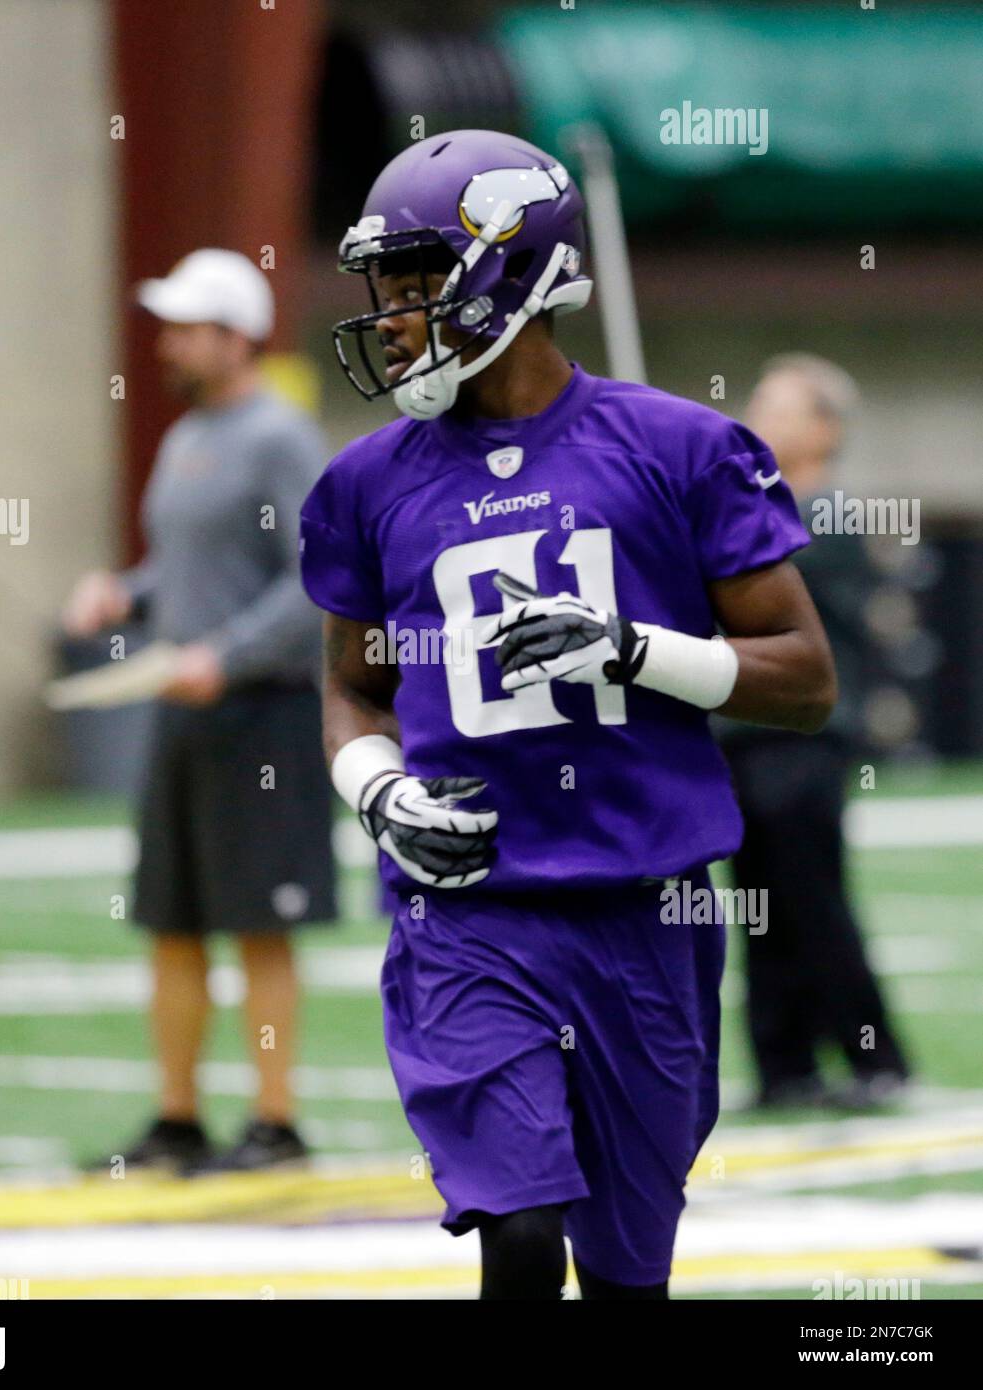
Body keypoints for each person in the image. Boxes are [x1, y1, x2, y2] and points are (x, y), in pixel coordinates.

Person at [299, 130, 836, 1300]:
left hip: (647, 905)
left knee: (626, 1272)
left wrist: (636, 649)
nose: (388, 316)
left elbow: (804, 677)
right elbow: (353, 687)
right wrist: (379, 792)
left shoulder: (678, 449)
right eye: (379, 288)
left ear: (510, 270)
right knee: (521, 1229)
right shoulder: (364, 484)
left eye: (410, 282)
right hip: (469, 912)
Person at [62, 249, 336, 1174]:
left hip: (262, 716)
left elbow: (320, 580)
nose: (169, 344)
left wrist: (226, 657)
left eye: (186, 327)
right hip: (181, 717)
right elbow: (188, 574)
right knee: (171, 921)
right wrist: (127, 596)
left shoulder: (280, 438)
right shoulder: (186, 439)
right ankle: (176, 1117)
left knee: (260, 922)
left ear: (235, 336)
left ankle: (275, 1121)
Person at [720, 354, 910, 1109]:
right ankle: (782, 1066)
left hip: (802, 739)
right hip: (741, 739)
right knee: (759, 906)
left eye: (777, 407)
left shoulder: (823, 514)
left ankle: (875, 1058)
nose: (755, 417)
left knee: (814, 899)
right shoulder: (761, 504)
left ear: (822, 430)